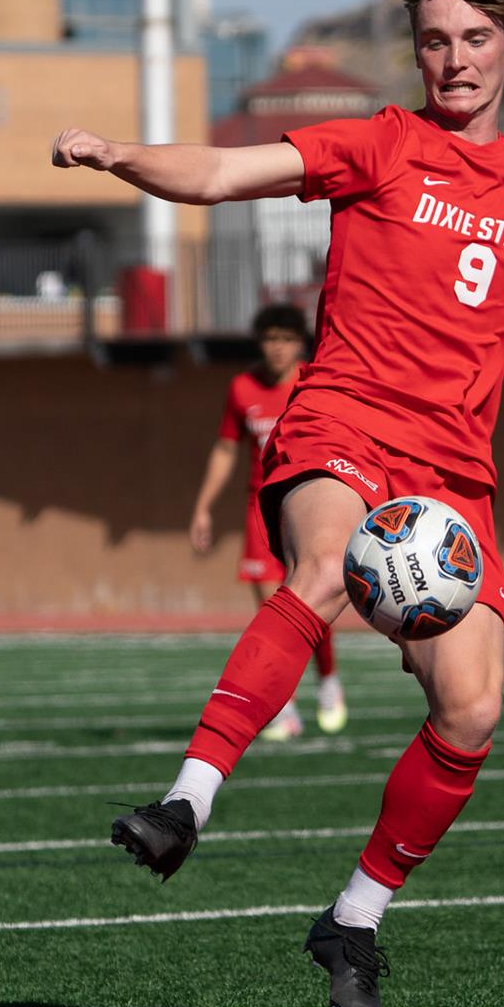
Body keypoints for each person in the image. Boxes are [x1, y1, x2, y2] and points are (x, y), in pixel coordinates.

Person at [53, 0, 504, 1007]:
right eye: (435, 41)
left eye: (475, 40)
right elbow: (227, 173)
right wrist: (116, 156)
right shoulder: (378, 144)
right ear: (415, 52)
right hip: (342, 420)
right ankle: (186, 802)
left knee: (471, 708)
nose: (454, 60)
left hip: (450, 478)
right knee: (322, 568)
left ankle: (354, 920)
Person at [189, 302, 347, 738]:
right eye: (270, 339)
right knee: (273, 612)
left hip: (308, 505)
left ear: (300, 343)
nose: (277, 348)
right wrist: (203, 506)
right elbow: (225, 449)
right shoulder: (242, 388)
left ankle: (328, 679)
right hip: (261, 512)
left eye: (286, 339)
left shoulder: (313, 381)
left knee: (314, 605)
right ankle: (285, 710)